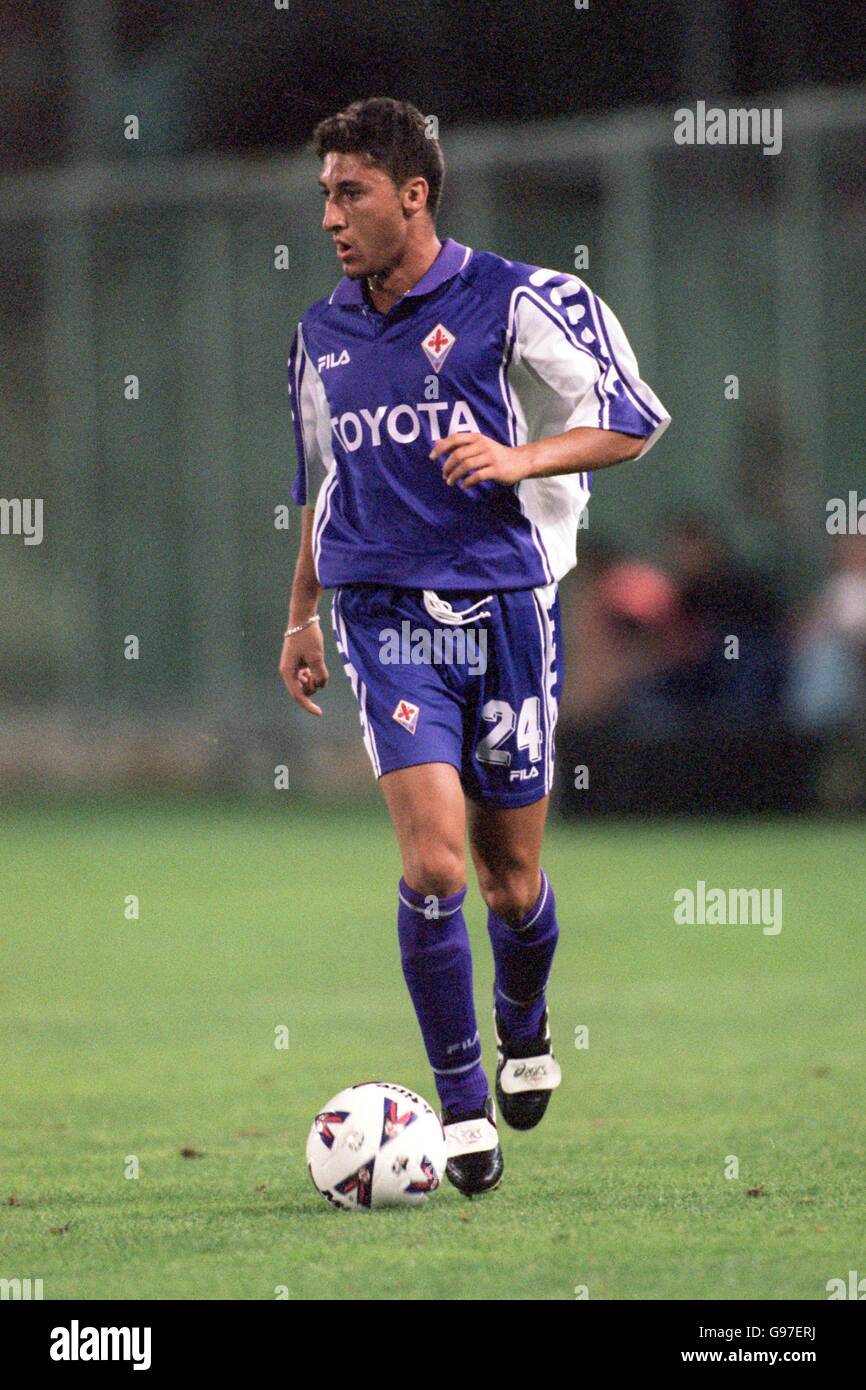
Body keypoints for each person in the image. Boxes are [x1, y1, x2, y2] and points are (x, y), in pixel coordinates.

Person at [279, 98, 670, 1196]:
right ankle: (457, 1112)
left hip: (503, 610)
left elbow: (630, 419)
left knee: (509, 881)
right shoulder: (320, 336)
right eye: (323, 195)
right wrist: (301, 614)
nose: (330, 218)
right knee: (435, 861)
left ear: (413, 195)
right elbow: (326, 490)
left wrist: (518, 459)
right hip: (383, 618)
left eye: (350, 193)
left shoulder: (519, 298)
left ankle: (523, 1020)